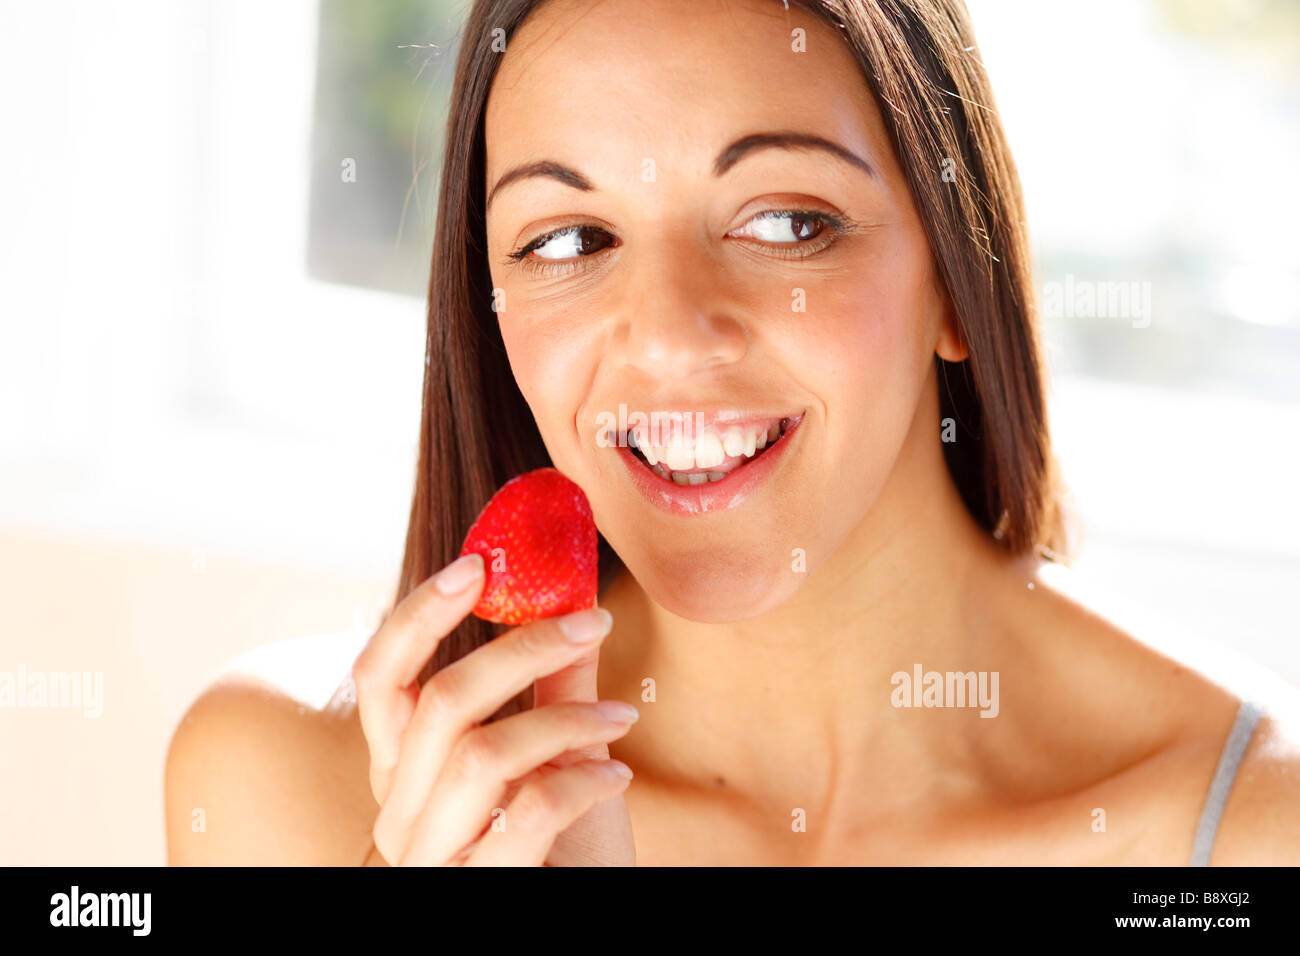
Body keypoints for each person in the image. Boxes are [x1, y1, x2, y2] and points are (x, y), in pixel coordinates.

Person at [164, 0, 1300, 866]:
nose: (666, 337)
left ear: (956, 277)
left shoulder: (1250, 828)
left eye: (783, 221)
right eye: (566, 239)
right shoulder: (294, 793)